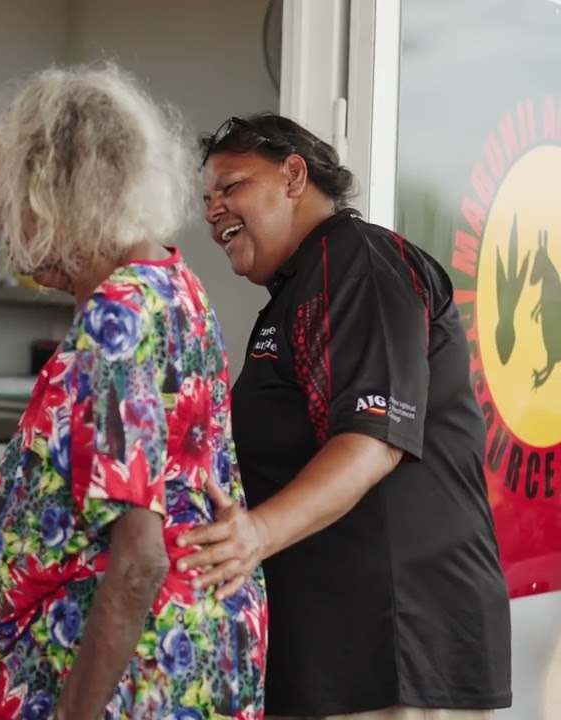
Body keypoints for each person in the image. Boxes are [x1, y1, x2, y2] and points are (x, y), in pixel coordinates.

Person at [0, 63, 267, 720]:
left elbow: (140, 555)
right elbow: (150, 472)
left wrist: (74, 715)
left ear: (52, 194)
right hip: (202, 654)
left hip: (131, 676)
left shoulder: (113, 321)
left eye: (7, 196)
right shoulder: (175, 287)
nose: (4, 226)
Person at [182, 111, 513, 720]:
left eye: (231, 188)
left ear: (293, 175)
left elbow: (372, 439)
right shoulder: (298, 288)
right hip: (334, 653)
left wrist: (255, 534)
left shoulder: (356, 259)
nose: (212, 210)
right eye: (206, 198)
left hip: (397, 651)